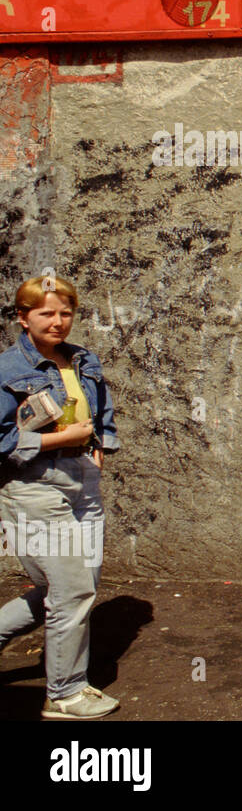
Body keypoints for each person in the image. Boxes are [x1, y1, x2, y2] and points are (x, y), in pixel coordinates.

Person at [0, 275, 121, 718]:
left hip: (83, 483)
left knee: (74, 585)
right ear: (23, 317)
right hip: (34, 486)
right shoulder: (7, 370)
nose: (58, 321)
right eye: (46, 313)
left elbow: (103, 412)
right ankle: (65, 693)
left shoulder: (83, 360)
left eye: (65, 312)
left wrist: (100, 448)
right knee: (70, 592)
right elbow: (2, 442)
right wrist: (58, 440)